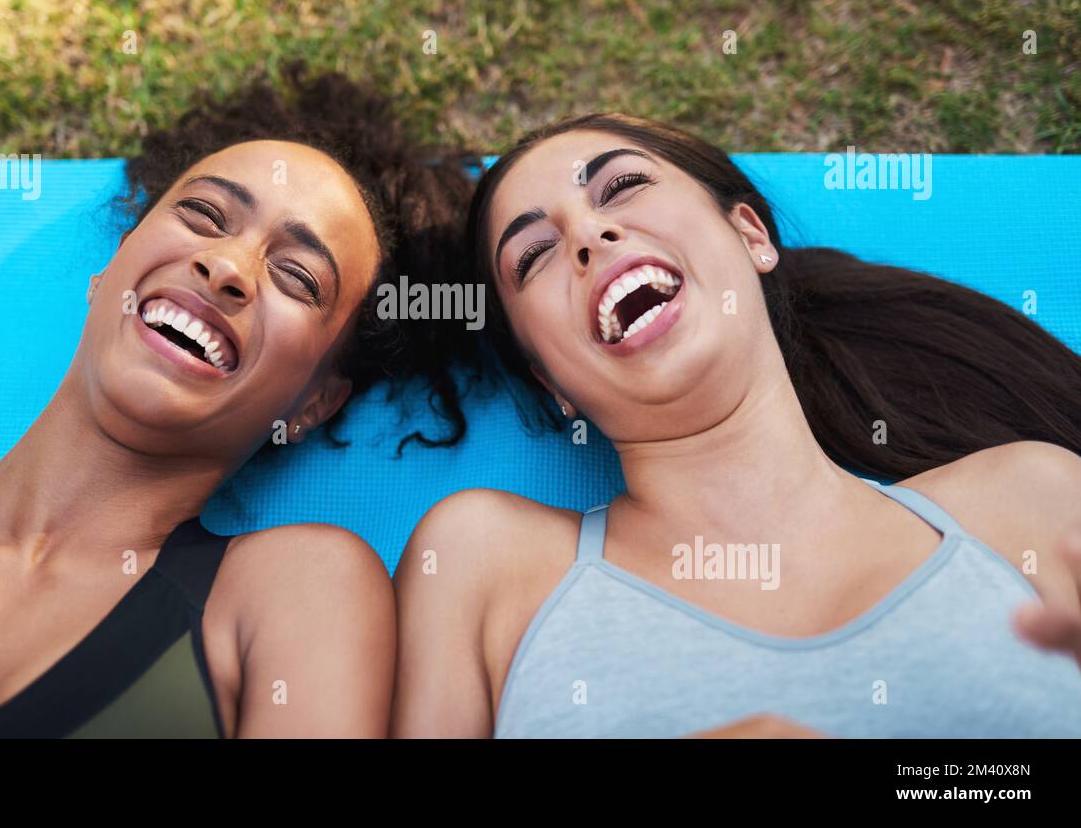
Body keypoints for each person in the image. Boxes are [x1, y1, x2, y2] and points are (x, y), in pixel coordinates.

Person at [0, 67, 474, 738]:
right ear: (108, 268)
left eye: (296, 275)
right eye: (204, 213)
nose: (227, 267)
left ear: (312, 405)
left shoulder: (295, 589)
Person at [392, 113, 1081, 737]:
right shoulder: (484, 563)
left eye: (622, 185)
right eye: (534, 255)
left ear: (751, 235)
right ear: (550, 381)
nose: (588, 234)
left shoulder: (1029, 498)